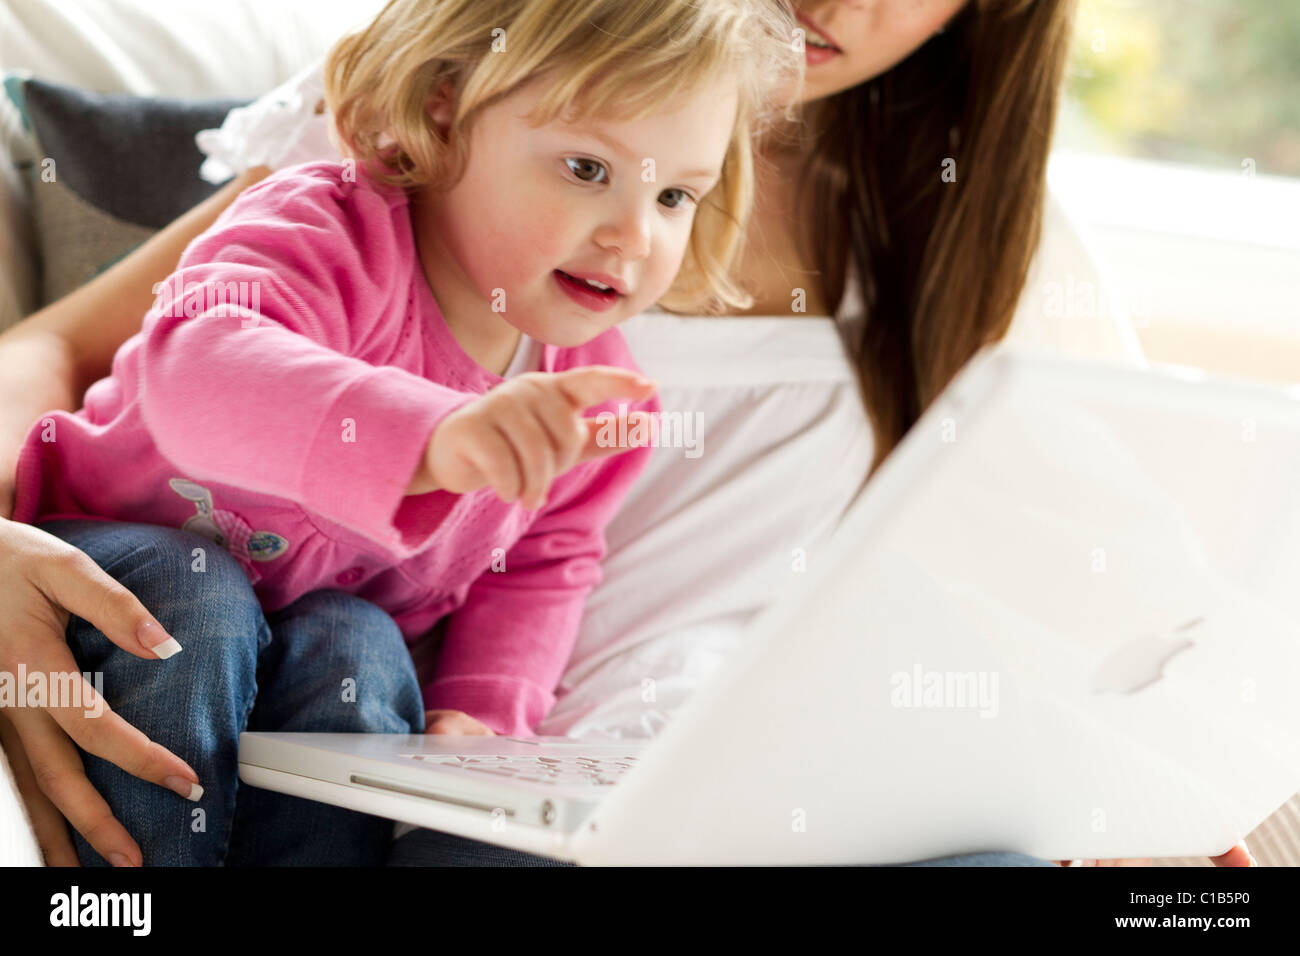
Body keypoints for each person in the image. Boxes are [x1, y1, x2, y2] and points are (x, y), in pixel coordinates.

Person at [0, 0, 1256, 868]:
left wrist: (1131, 768)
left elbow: (1055, 570)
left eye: (675, 195)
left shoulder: (963, 227)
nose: (636, 232)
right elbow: (136, 347)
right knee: (256, 622)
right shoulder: (437, 130)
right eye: (592, 171)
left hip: (756, 777)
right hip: (543, 780)